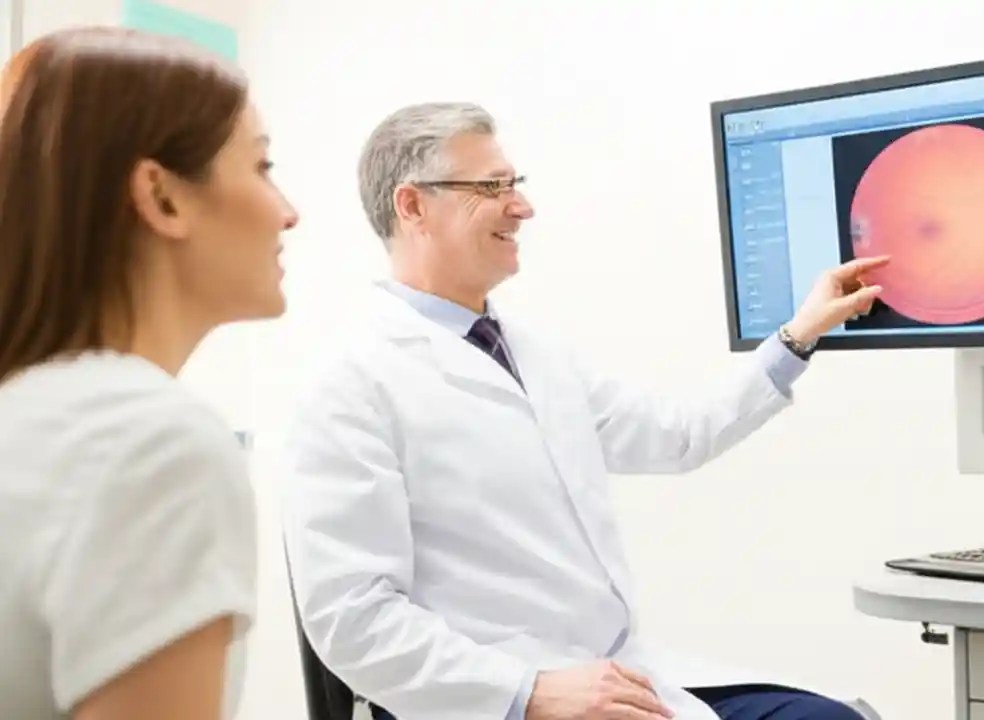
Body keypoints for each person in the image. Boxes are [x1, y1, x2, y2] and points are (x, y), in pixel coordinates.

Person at [280, 102, 886, 720]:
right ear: (413, 206)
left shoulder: (533, 355)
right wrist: (528, 692)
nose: (522, 206)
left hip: (608, 675)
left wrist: (798, 336)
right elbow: (352, 619)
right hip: (488, 698)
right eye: (491, 187)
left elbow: (679, 436)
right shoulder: (349, 383)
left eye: (514, 183)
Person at [0, 27, 298, 720]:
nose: (288, 212)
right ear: (162, 197)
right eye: (261, 166)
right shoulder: (155, 445)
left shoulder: (28, 415)